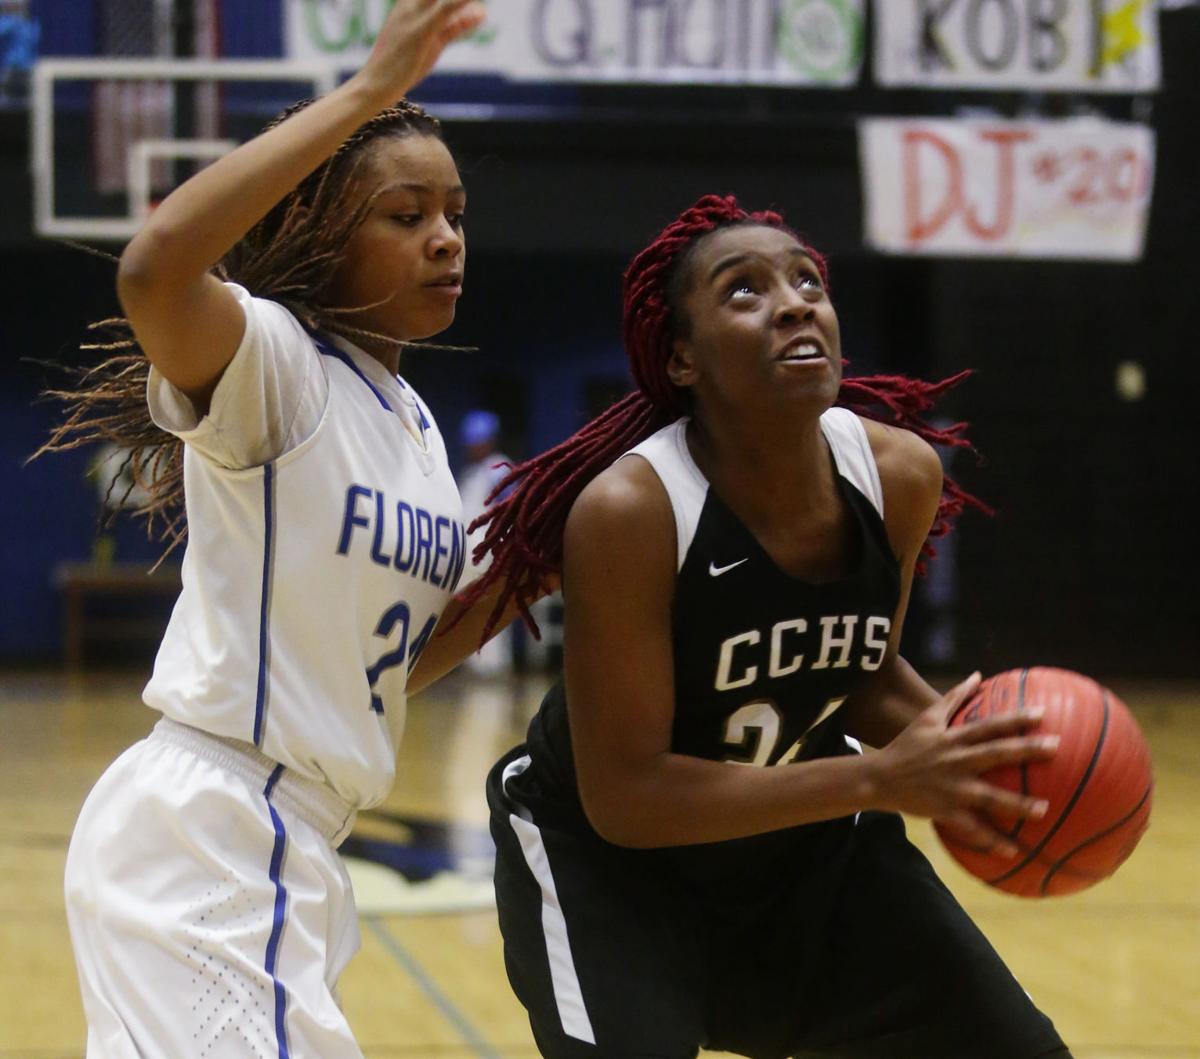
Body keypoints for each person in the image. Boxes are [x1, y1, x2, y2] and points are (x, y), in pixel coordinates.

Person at [33, 4, 545, 1057]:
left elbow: (388, 667)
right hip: (211, 830)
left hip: (291, 841)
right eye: (405, 214)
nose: (445, 235)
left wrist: (528, 572)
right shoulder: (278, 365)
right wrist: (362, 94)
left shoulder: (409, 424)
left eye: (453, 211)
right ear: (320, 233)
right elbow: (153, 272)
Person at [464, 196, 1071, 1057]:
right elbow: (626, 797)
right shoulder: (632, 511)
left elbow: (860, 671)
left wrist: (977, 758)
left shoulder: (897, 472)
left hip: (799, 850)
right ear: (680, 358)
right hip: (608, 866)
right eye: (743, 291)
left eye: (807, 280)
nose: (793, 301)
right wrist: (878, 781)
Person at [457, 409, 516, 674]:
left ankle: (492, 669)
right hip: (469, 555)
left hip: (491, 552)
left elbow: (510, 510)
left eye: (478, 442)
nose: (473, 447)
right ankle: (474, 665)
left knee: (489, 608)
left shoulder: (498, 468)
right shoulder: (471, 474)